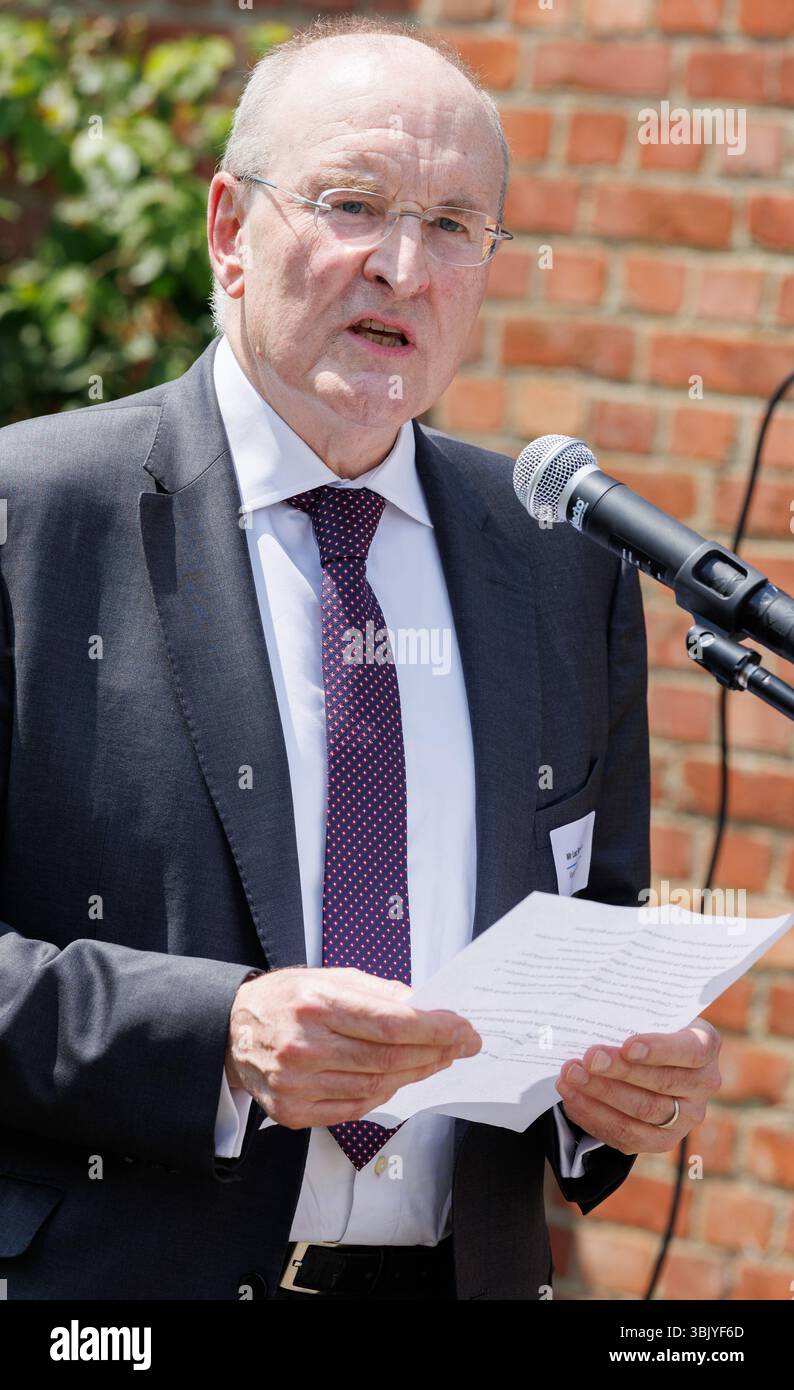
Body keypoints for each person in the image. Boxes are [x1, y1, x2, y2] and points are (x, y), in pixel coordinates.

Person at [0, 16, 721, 1301]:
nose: (402, 265)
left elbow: (592, 927)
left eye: (453, 226)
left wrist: (618, 1091)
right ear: (230, 228)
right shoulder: (35, 514)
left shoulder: (556, 554)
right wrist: (212, 1037)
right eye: (352, 203)